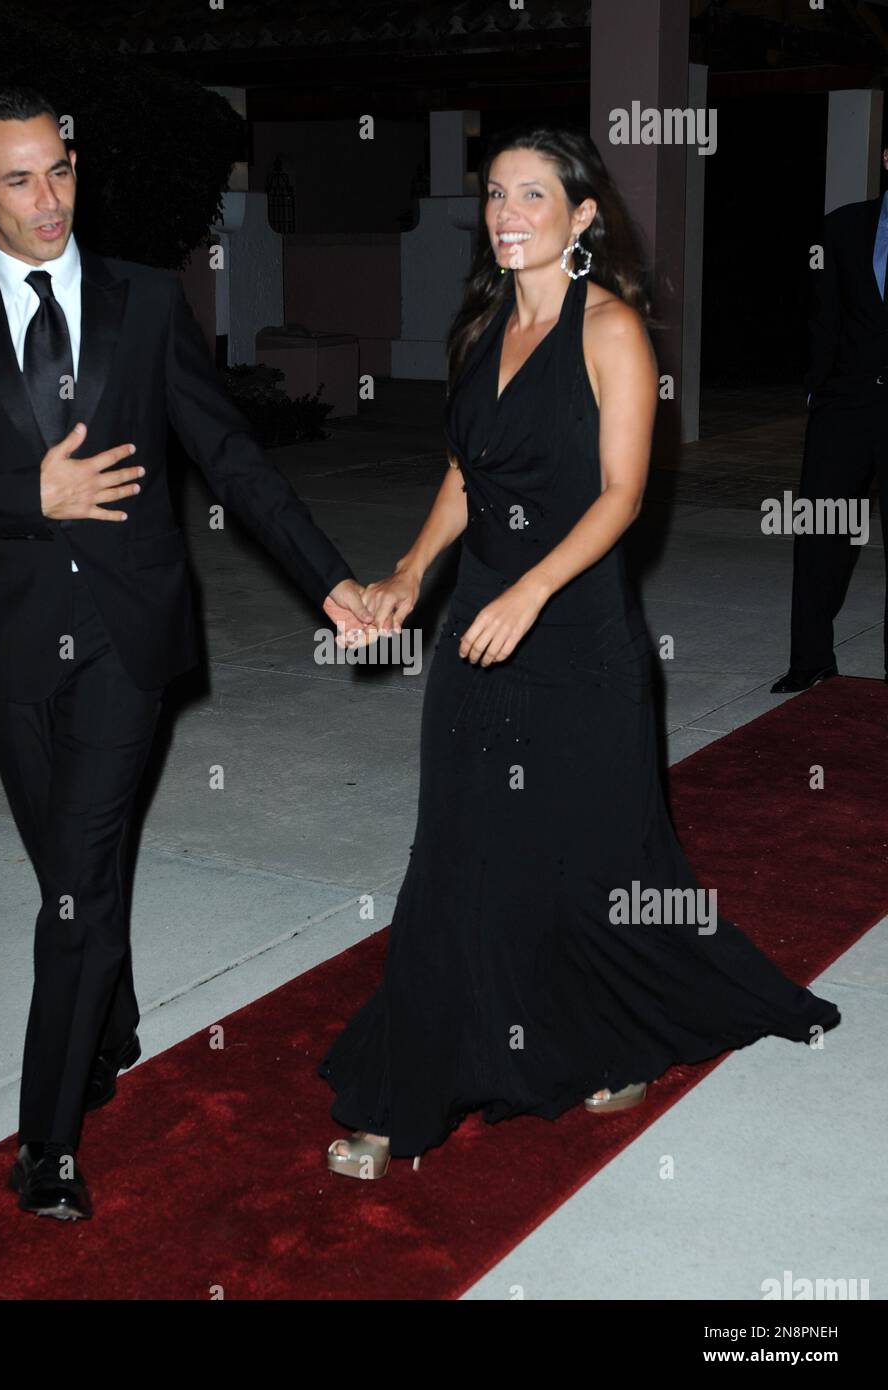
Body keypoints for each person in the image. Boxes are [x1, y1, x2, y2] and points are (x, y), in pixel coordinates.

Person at [0, 86, 374, 1220]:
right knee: (70, 879)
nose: (46, 201)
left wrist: (327, 577)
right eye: (16, 179)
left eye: (60, 170)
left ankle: (46, 1139)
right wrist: (19, 498)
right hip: (9, 648)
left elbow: (228, 455)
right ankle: (115, 1009)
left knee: (77, 886)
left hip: (127, 641)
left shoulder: (145, 303)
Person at [318, 128, 842, 1179]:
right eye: (493, 196)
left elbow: (620, 496)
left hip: (576, 635)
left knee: (596, 863)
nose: (506, 214)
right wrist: (413, 571)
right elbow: (465, 475)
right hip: (478, 622)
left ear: (582, 214)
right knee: (457, 855)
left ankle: (621, 1034)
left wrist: (528, 588)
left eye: (530, 195)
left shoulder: (612, 332)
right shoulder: (480, 330)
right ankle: (401, 1090)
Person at [771, 146, 888, 693]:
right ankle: (810, 658)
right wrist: (818, 393)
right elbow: (823, 316)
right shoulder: (842, 227)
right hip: (845, 407)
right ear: (887, 157)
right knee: (822, 533)